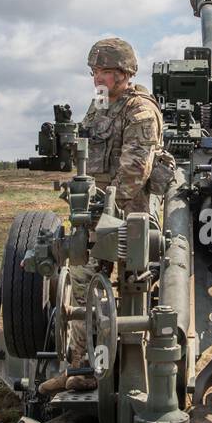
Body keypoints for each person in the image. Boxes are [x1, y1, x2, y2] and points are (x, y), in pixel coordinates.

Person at [38, 37, 174, 395]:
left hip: (131, 216)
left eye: (104, 71)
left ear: (124, 73)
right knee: (81, 287)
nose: (96, 77)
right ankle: (81, 369)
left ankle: (144, 368)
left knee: (138, 289)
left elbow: (134, 170)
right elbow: (85, 144)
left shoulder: (141, 110)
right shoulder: (99, 103)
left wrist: (105, 210)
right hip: (96, 213)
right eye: (94, 70)